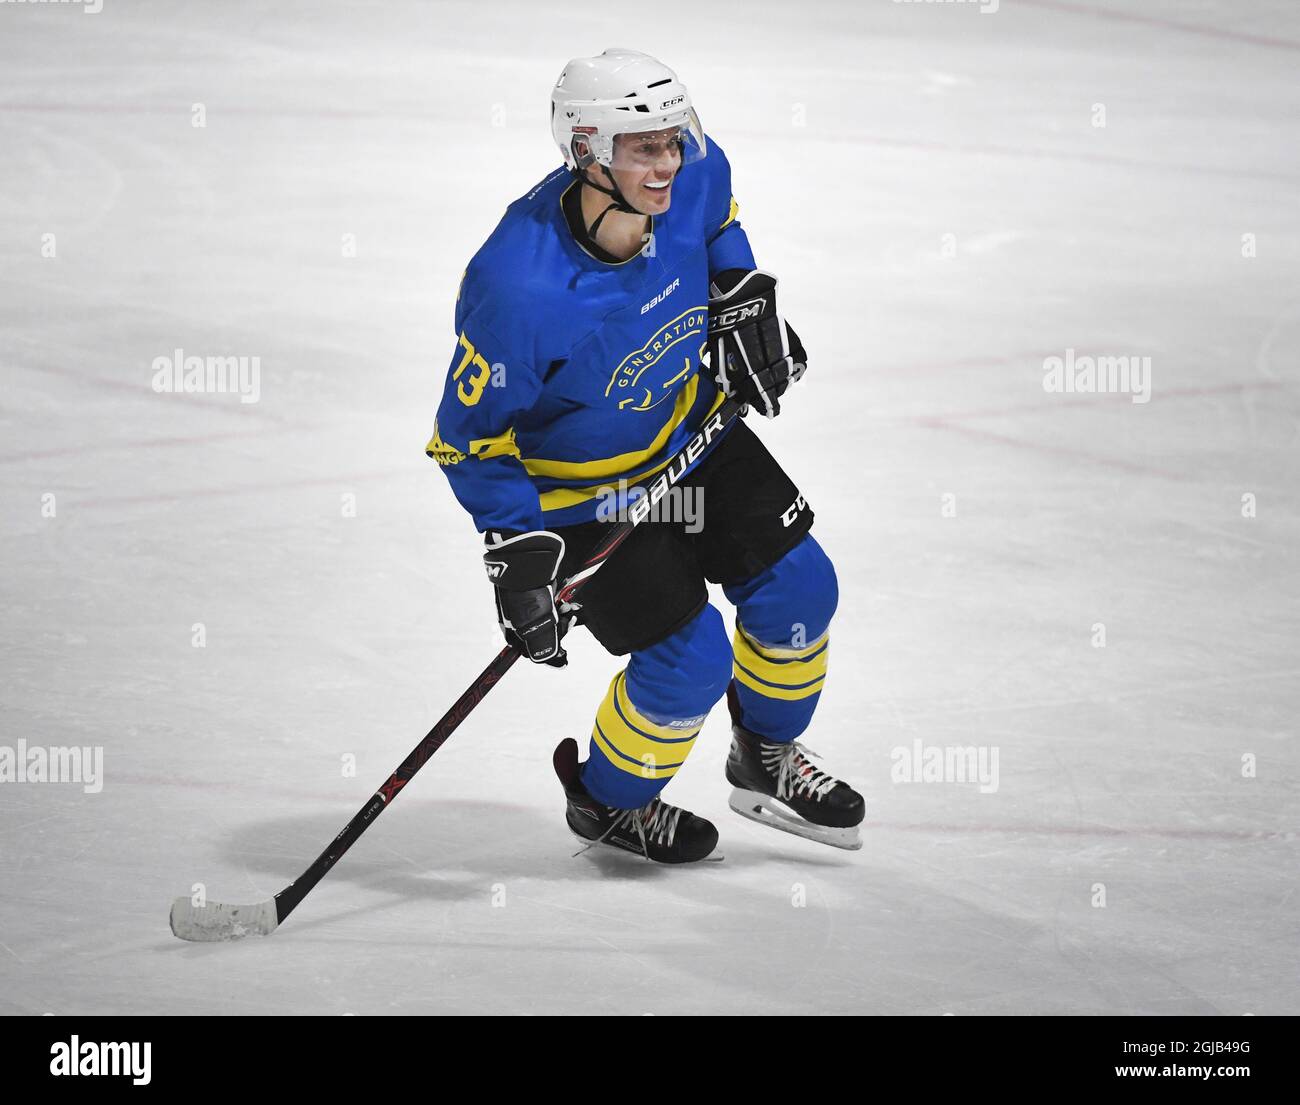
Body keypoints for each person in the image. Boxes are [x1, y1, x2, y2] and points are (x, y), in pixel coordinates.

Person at [427, 48, 864, 862]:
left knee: (802, 586)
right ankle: (610, 803)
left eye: (672, 138)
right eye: (643, 147)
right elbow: (467, 440)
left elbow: (719, 224)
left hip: (687, 431)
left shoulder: (694, 174)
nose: (668, 162)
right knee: (690, 659)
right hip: (581, 495)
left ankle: (764, 756)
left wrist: (735, 294)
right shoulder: (517, 286)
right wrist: (518, 553)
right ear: (588, 151)